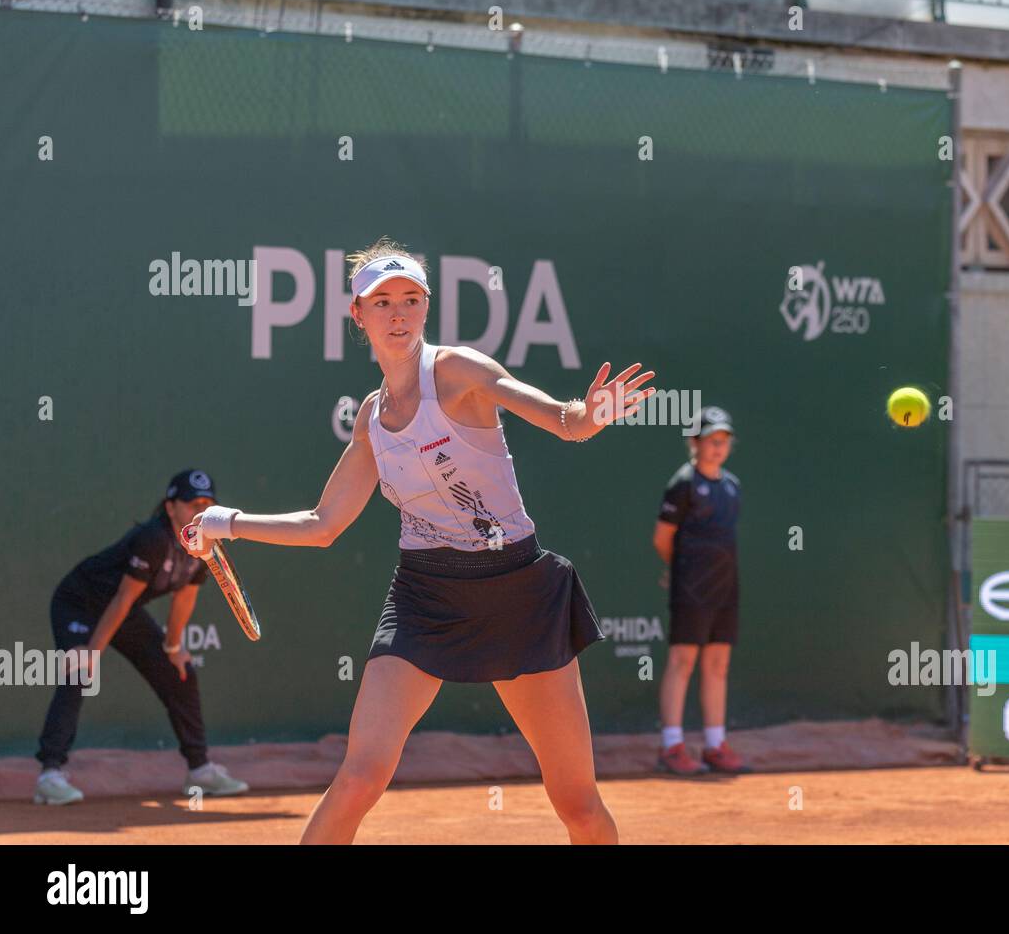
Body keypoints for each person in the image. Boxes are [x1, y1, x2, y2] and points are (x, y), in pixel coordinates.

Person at [182, 238, 655, 844]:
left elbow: (565, 421)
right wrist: (225, 521)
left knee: (578, 804)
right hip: (425, 598)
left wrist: (589, 416)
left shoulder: (458, 371)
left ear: (427, 306)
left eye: (410, 299)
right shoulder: (371, 418)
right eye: (382, 303)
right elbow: (322, 525)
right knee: (360, 775)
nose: (398, 314)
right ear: (358, 315)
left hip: (517, 593)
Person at [33, 469, 250, 805]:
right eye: (193, 503)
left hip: (123, 610)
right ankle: (50, 774)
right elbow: (122, 598)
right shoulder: (153, 539)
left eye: (208, 504)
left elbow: (185, 597)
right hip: (80, 602)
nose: (201, 510)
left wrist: (173, 647)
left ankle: (200, 770)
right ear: (171, 508)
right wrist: (93, 651)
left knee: (180, 672)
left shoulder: (206, 545)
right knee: (79, 671)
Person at [652, 405, 750, 775]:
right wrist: (680, 570)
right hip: (691, 588)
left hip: (726, 587)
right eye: (711, 440)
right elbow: (663, 538)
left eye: (724, 440)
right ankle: (671, 746)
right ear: (694, 442)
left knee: (719, 663)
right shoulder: (683, 484)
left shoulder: (732, 486)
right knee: (683, 660)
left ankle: (714, 744)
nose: (718, 447)